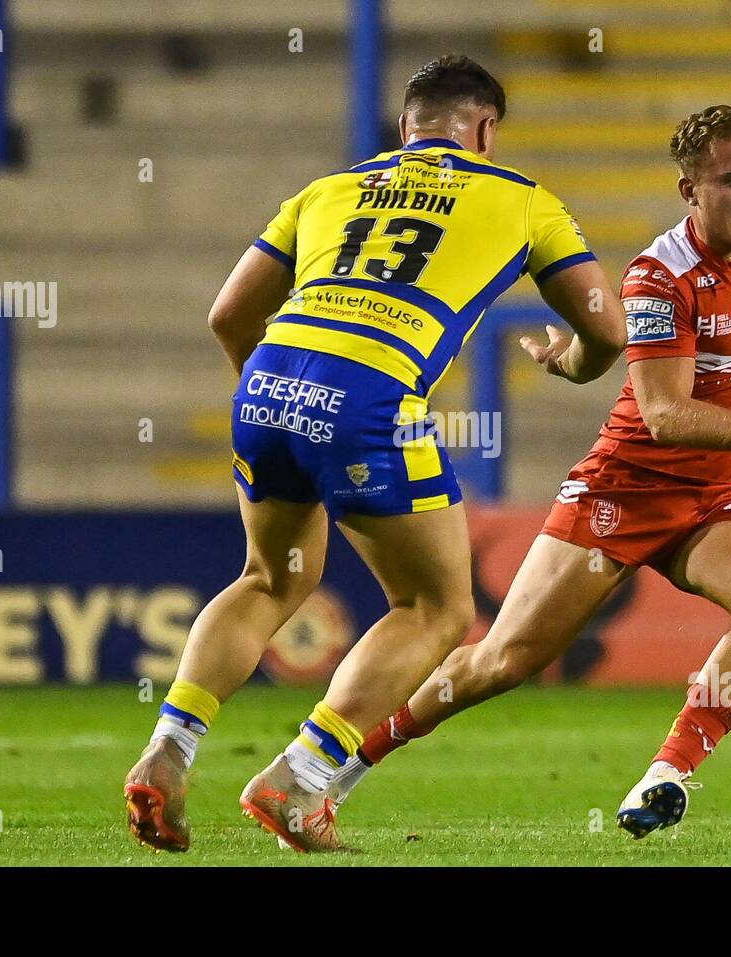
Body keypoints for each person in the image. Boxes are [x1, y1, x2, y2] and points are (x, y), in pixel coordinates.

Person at [322, 104, 731, 842]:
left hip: (722, 492)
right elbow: (663, 415)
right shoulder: (660, 275)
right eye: (730, 179)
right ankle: (335, 770)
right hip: (625, 488)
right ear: (690, 191)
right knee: (503, 660)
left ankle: (669, 771)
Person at [121, 54, 626, 853]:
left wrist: (281, 401)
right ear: (486, 129)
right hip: (370, 397)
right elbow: (607, 332)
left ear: (405, 127)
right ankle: (299, 778)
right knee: (437, 609)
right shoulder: (525, 201)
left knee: (268, 577)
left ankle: (170, 747)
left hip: (269, 380)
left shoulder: (328, 190)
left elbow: (227, 316)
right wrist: (570, 362)